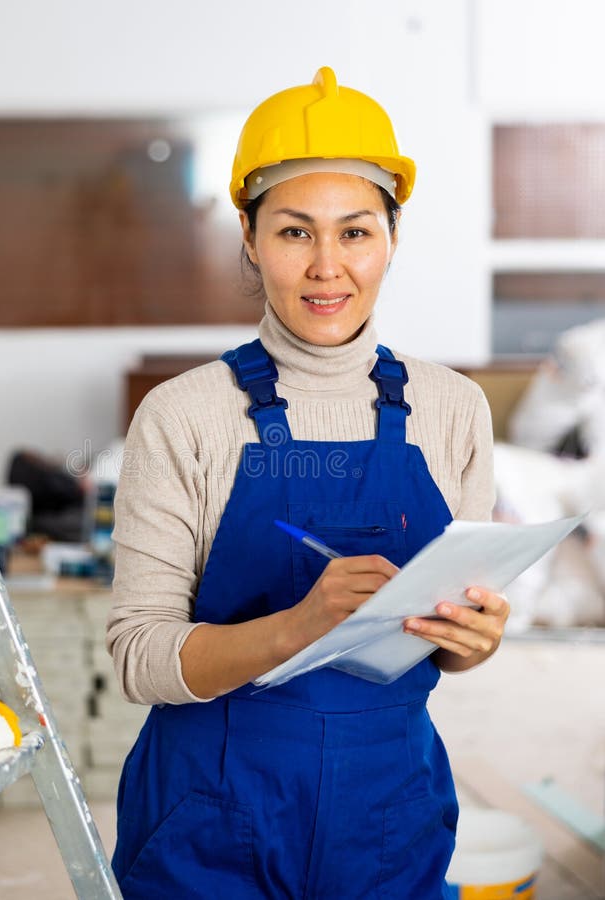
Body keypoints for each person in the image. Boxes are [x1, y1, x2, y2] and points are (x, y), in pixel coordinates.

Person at [106, 66, 509, 899]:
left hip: (389, 809)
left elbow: (445, 631)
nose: (327, 266)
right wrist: (297, 626)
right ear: (250, 238)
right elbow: (140, 658)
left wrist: (471, 641)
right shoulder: (183, 414)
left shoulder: (451, 408)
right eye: (294, 232)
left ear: (391, 236)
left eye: (354, 232)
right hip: (211, 810)